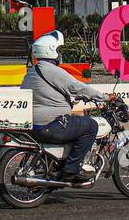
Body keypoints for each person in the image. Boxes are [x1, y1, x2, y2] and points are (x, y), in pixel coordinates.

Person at [22, 30, 110, 183]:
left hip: (36, 124)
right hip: (50, 125)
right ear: (51, 50)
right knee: (90, 126)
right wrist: (106, 97)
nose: (59, 54)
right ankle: (71, 169)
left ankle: (61, 164)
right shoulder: (52, 70)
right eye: (58, 50)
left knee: (76, 123)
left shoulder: (33, 71)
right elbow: (78, 87)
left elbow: (47, 94)